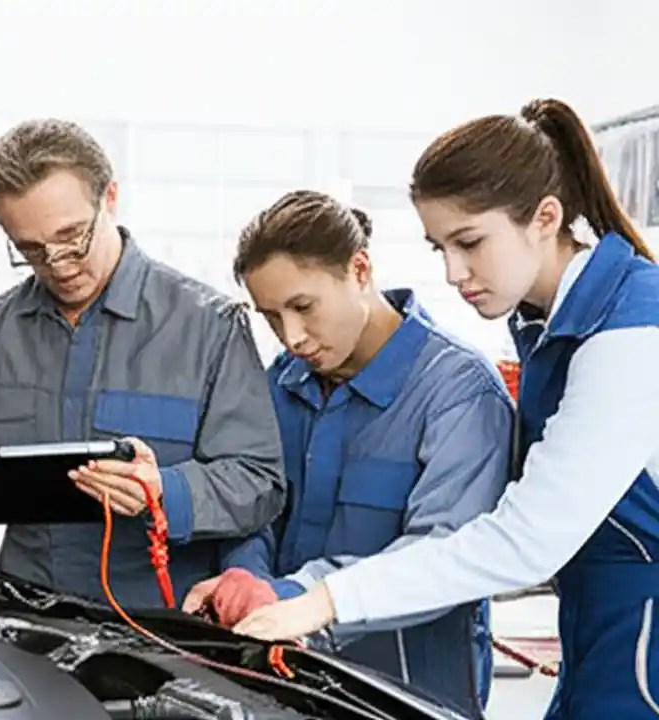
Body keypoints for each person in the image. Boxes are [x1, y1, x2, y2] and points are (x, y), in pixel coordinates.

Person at [232, 98, 659, 719]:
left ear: (545, 218)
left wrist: (323, 599)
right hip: (600, 635)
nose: (456, 273)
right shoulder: (551, 328)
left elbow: (525, 539)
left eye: (470, 242)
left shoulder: (630, 333)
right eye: (440, 249)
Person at [0, 118, 286, 607]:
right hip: (29, 617)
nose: (59, 264)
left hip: (164, 627)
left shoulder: (209, 328)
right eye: (31, 249)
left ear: (109, 197)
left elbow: (260, 482)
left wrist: (166, 492)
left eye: (73, 237)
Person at [180, 190, 512, 718]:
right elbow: (253, 505)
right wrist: (248, 581)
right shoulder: (282, 382)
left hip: (409, 694)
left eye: (303, 307)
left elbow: (444, 553)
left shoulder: (459, 392)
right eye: (271, 316)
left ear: (359, 269)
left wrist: (294, 594)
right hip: (285, 682)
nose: (291, 337)